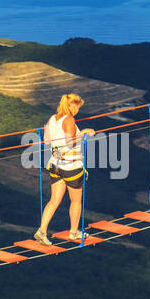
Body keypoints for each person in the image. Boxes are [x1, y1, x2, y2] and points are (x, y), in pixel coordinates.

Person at [35, 93, 89, 244]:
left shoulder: (52, 118)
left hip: (55, 164)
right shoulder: (70, 119)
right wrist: (84, 132)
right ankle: (74, 232)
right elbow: (70, 143)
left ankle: (42, 231)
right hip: (71, 166)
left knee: (54, 200)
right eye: (78, 106)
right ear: (73, 106)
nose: (78, 110)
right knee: (76, 200)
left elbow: (46, 141)